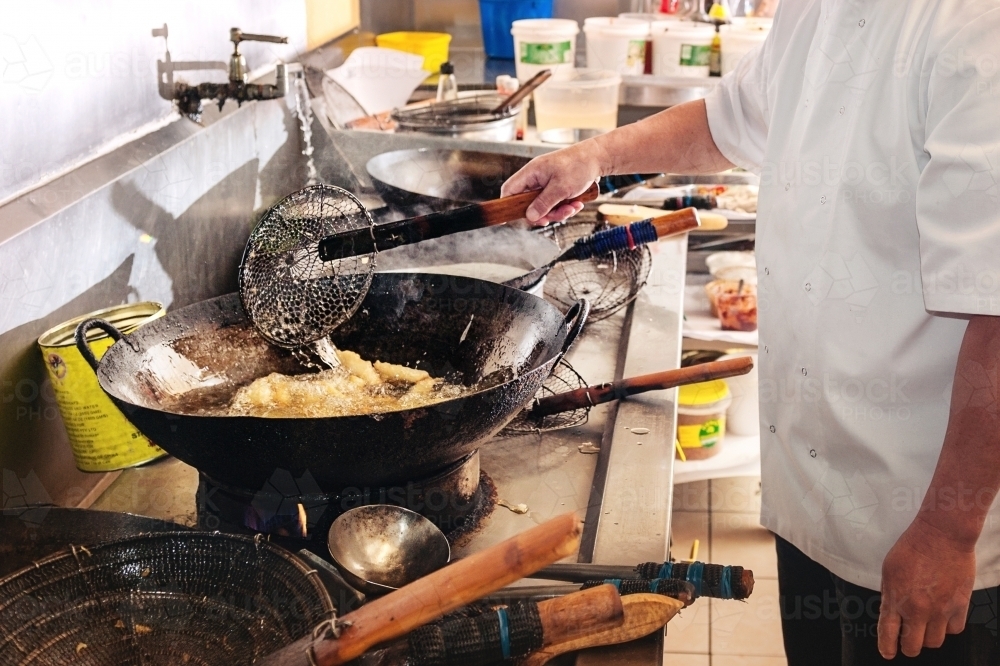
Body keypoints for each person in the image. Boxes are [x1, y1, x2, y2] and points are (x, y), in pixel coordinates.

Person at [502, 1, 1000, 663]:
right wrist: (596, 156)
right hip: (812, 493)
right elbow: (729, 122)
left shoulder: (975, 30)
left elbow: (995, 315)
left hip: (925, 516)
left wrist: (947, 530)